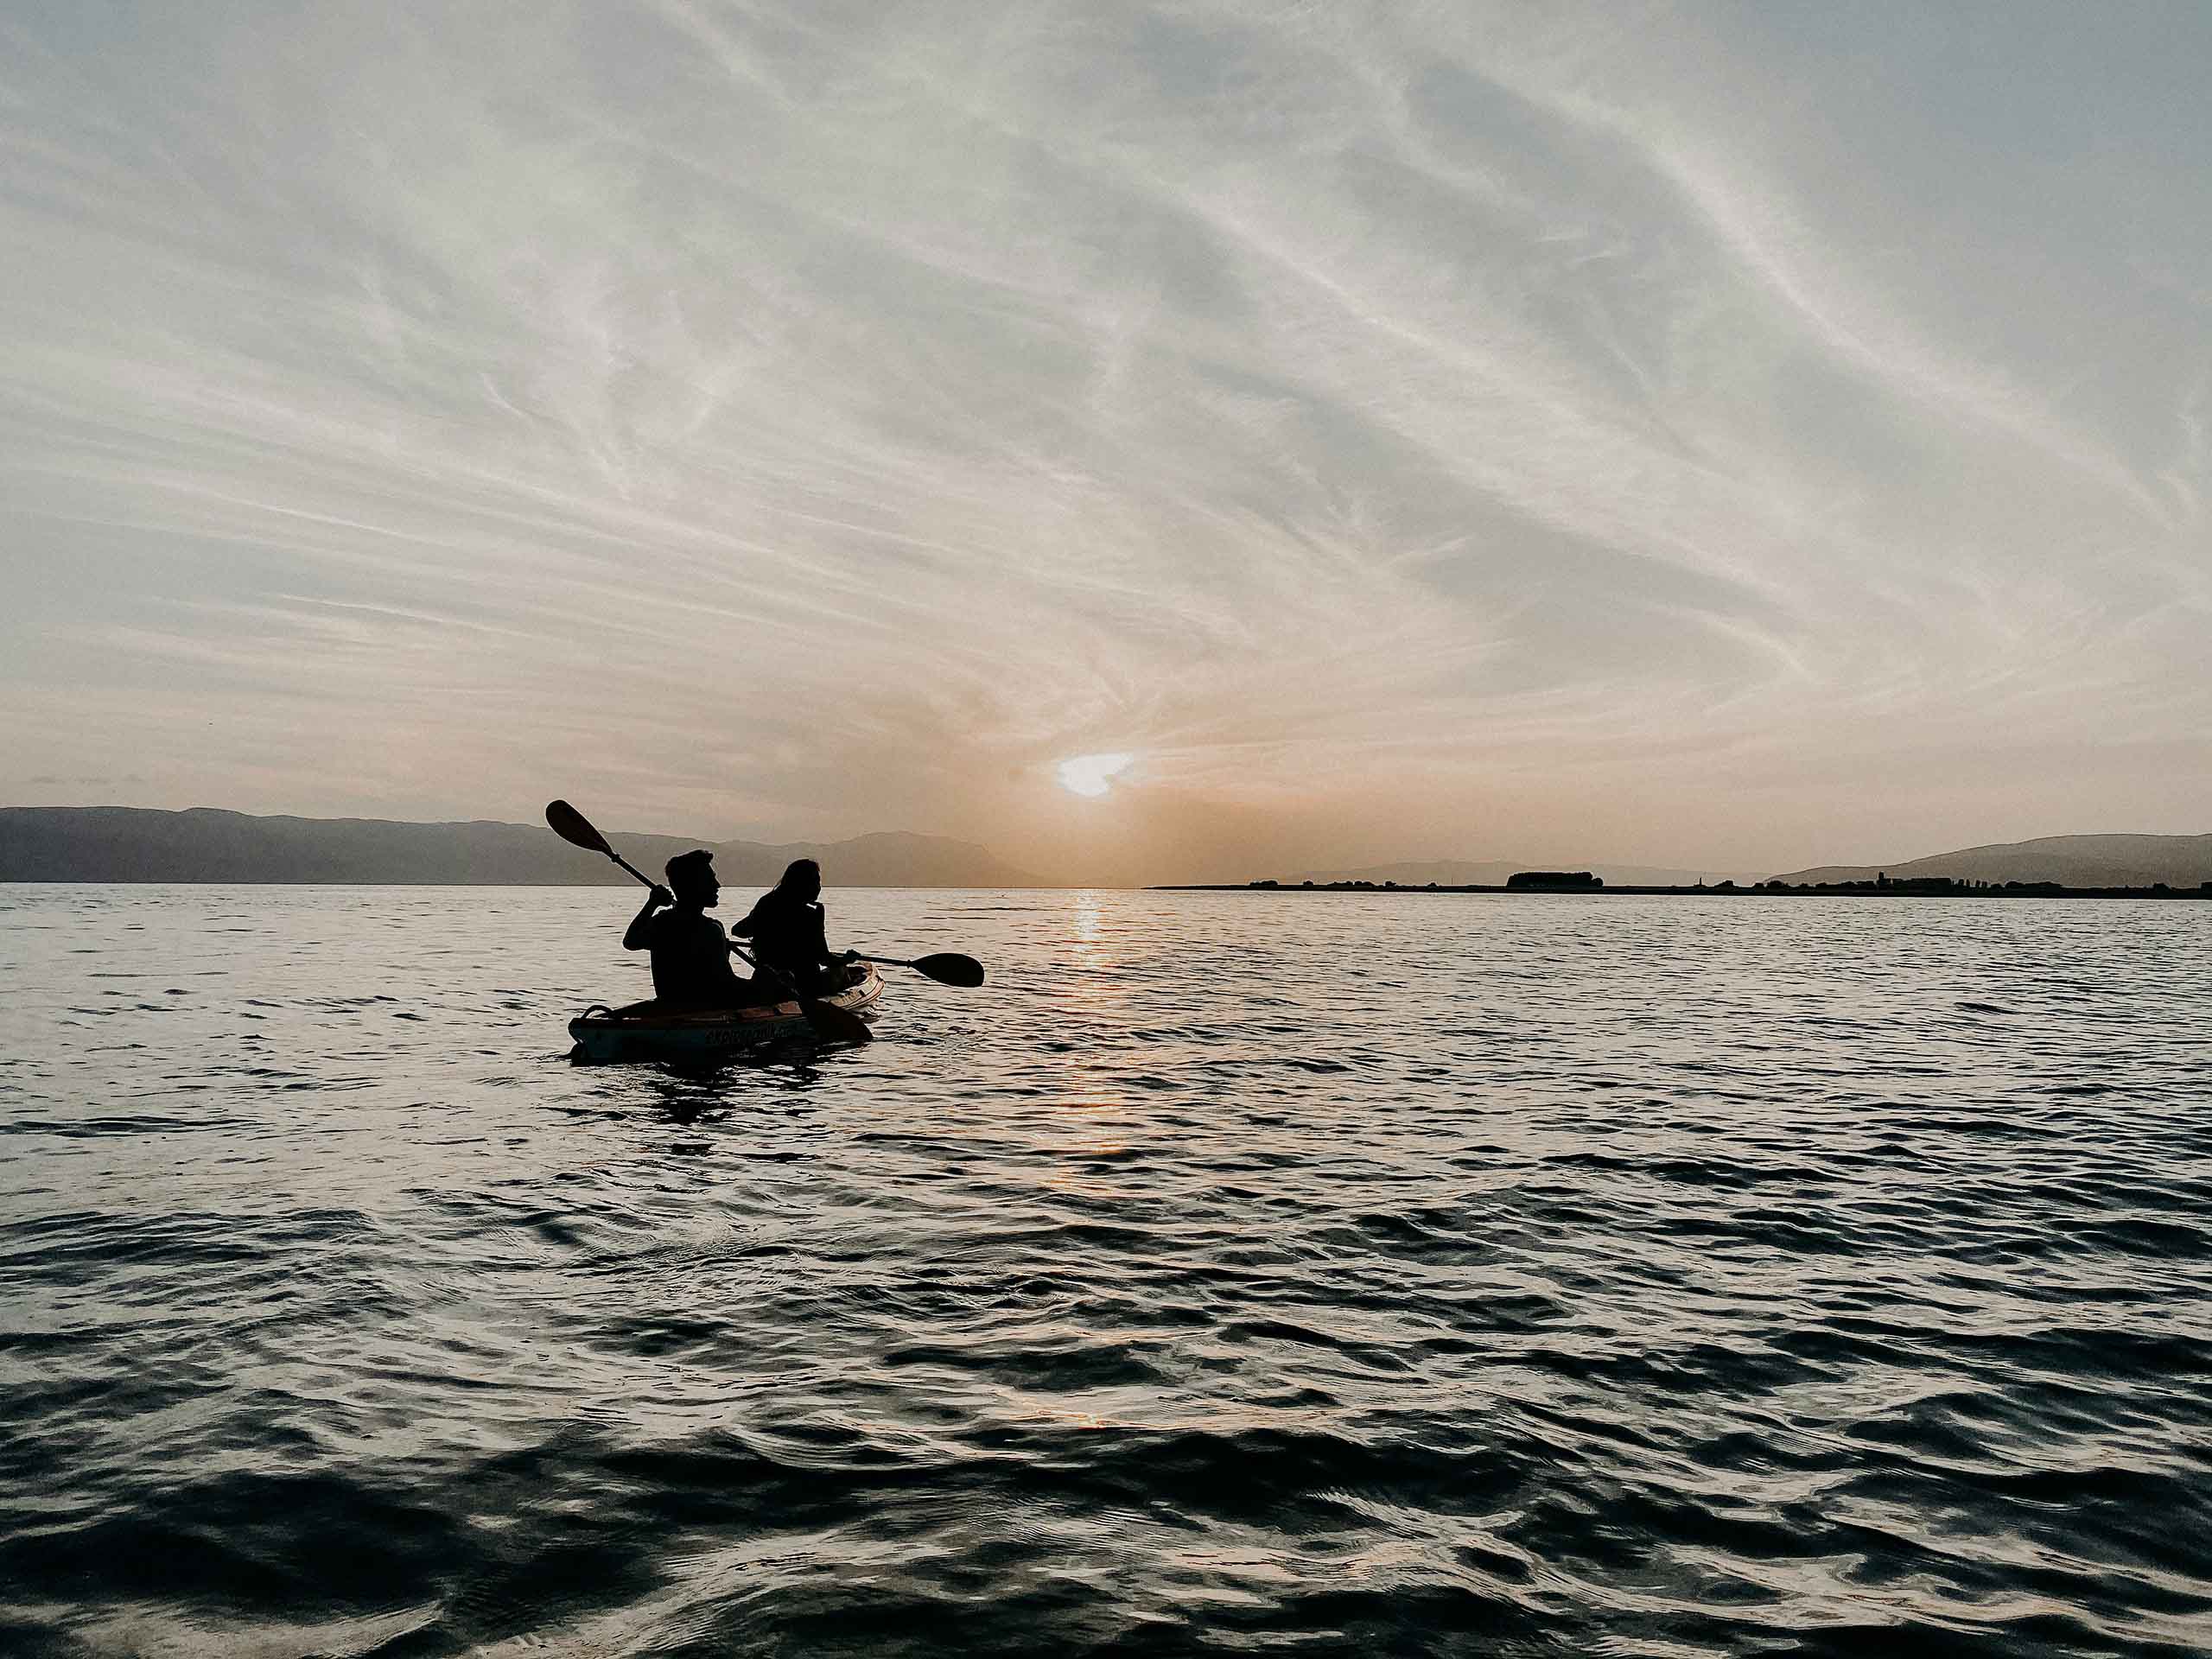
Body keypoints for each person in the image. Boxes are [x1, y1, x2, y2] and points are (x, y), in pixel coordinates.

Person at [621, 849, 772, 1007]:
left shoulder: (662, 921)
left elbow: (631, 941)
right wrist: (761, 982)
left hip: (671, 1005)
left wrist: (652, 904)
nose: (717, 885)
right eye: (709, 880)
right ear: (692, 885)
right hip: (703, 1009)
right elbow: (726, 985)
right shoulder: (710, 929)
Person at [732, 858, 860, 995]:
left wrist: (761, 921)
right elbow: (824, 958)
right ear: (800, 884)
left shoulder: (767, 903)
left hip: (771, 982)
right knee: (841, 970)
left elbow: (738, 930)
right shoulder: (812, 913)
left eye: (818, 882)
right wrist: (846, 959)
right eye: (814, 882)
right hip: (805, 985)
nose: (818, 887)